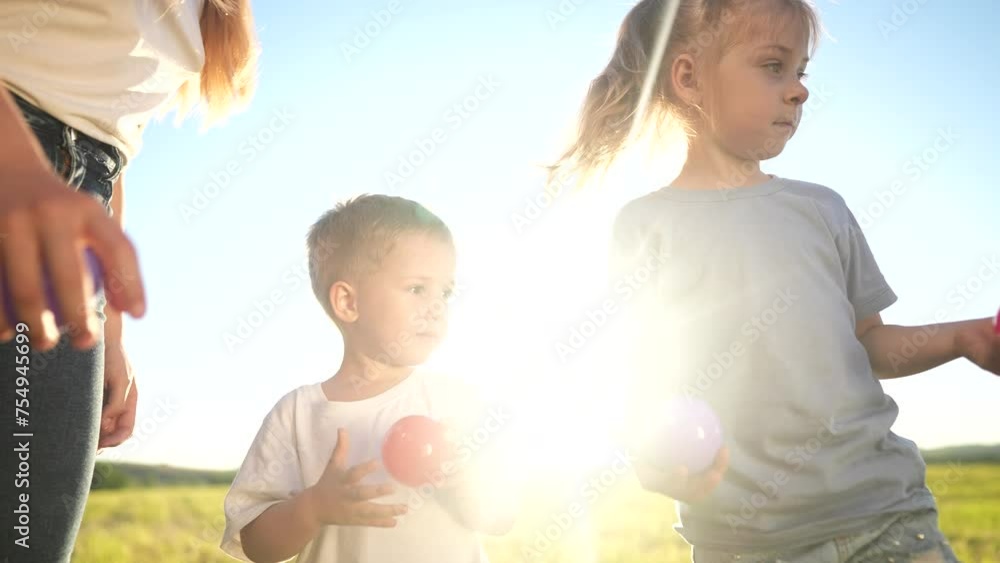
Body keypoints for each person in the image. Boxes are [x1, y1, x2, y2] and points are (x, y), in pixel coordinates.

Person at [548, 1, 1000, 561]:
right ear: (688, 77)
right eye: (772, 66)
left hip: (882, 519)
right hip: (740, 543)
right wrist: (653, 455)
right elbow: (634, 377)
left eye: (800, 71)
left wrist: (966, 337)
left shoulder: (822, 210)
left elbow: (872, 344)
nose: (799, 91)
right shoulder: (646, 226)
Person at [0, 1, 258, 561]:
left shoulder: (213, 12)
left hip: (74, 224)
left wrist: (112, 337)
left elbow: (113, 153)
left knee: (27, 545)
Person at [220, 194, 517, 563]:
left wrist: (464, 483)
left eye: (446, 291)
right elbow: (256, 545)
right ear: (348, 302)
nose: (437, 306)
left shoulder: (457, 402)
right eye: (416, 288)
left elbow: (501, 517)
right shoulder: (297, 414)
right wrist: (311, 509)